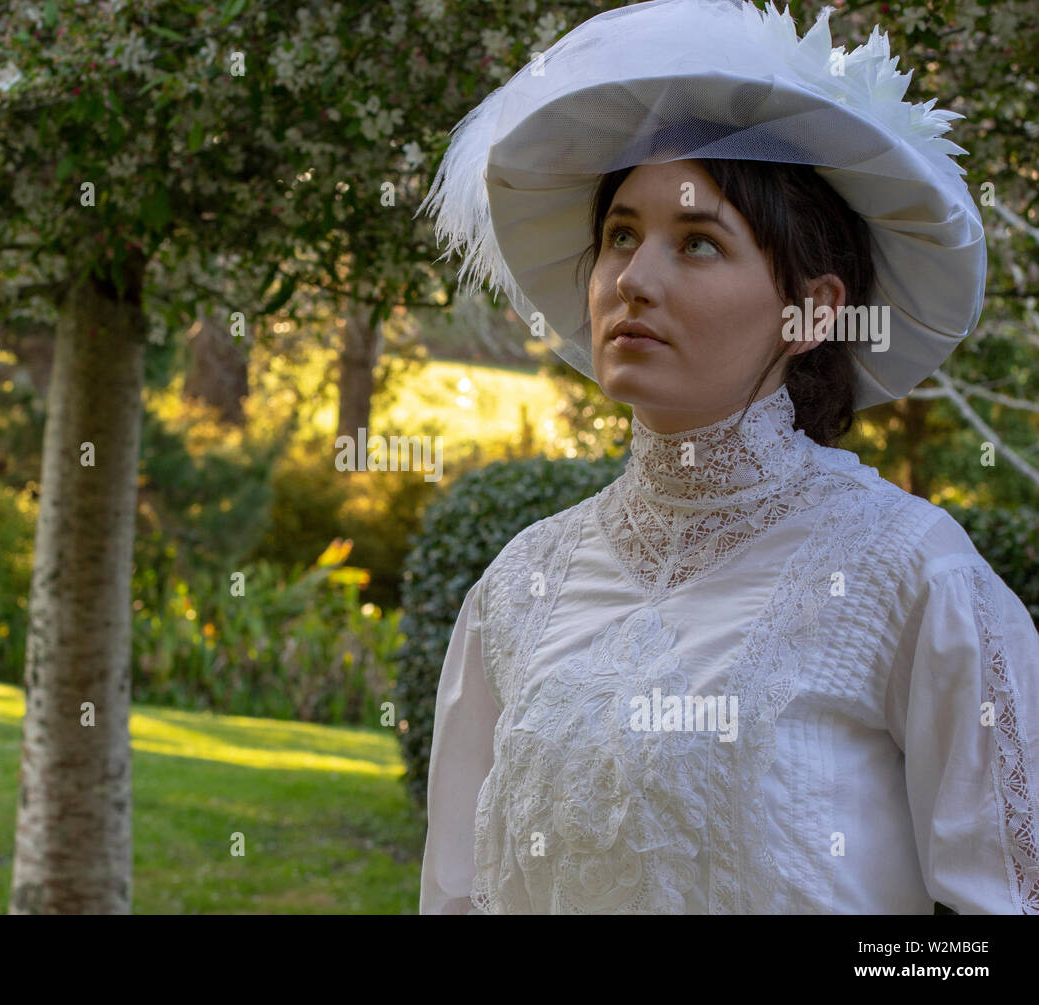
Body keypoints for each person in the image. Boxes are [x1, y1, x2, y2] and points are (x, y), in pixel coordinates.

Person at [415, 0, 1039, 914]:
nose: (633, 277)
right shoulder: (518, 589)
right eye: (620, 234)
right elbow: (454, 896)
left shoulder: (912, 575)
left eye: (697, 241)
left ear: (814, 310)